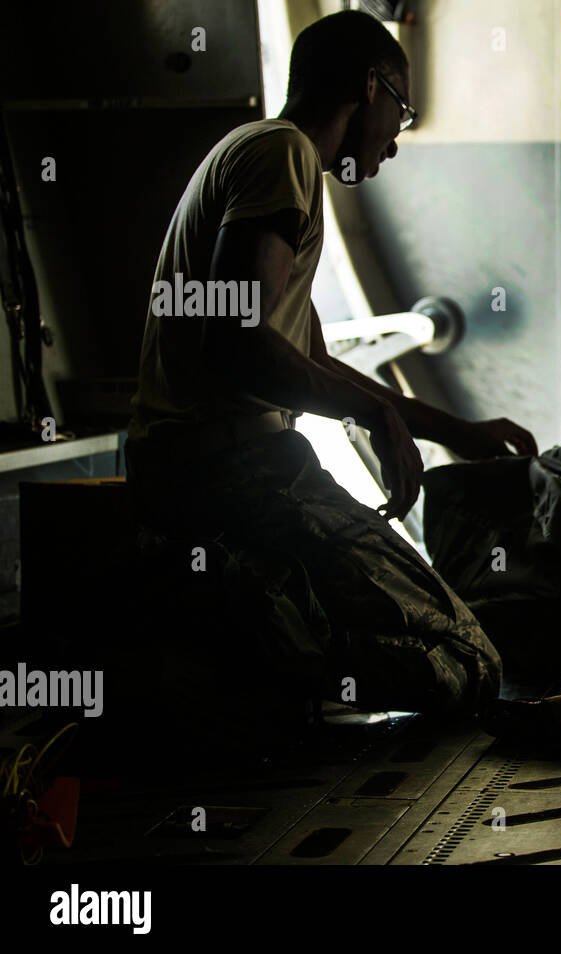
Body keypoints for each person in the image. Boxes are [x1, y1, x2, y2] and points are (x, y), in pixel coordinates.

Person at [125, 10, 536, 718]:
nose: (396, 144)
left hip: (219, 467)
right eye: (402, 113)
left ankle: (241, 637)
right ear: (371, 88)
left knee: (452, 647)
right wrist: (371, 412)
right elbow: (238, 342)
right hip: (231, 475)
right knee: (468, 664)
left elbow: (309, 356)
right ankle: (232, 659)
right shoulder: (278, 153)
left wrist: (450, 430)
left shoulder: (267, 160)